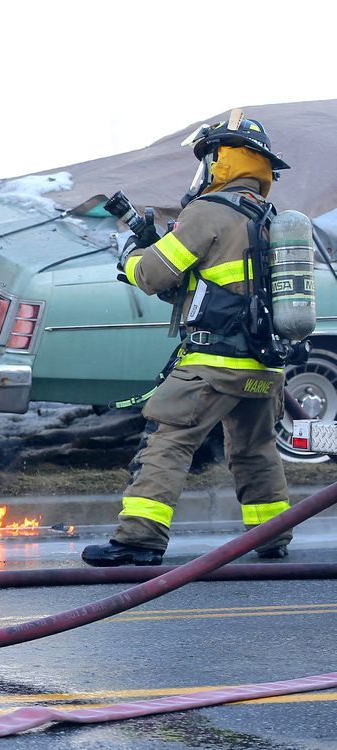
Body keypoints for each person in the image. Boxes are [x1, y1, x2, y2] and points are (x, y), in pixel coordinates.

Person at [82, 112, 297, 567]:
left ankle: (139, 538)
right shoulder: (268, 218)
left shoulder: (207, 212)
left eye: (208, 158)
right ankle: (272, 538)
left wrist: (132, 255)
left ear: (222, 160)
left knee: (168, 440)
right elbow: (201, 289)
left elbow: (153, 273)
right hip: (266, 365)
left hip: (214, 363)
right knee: (255, 450)